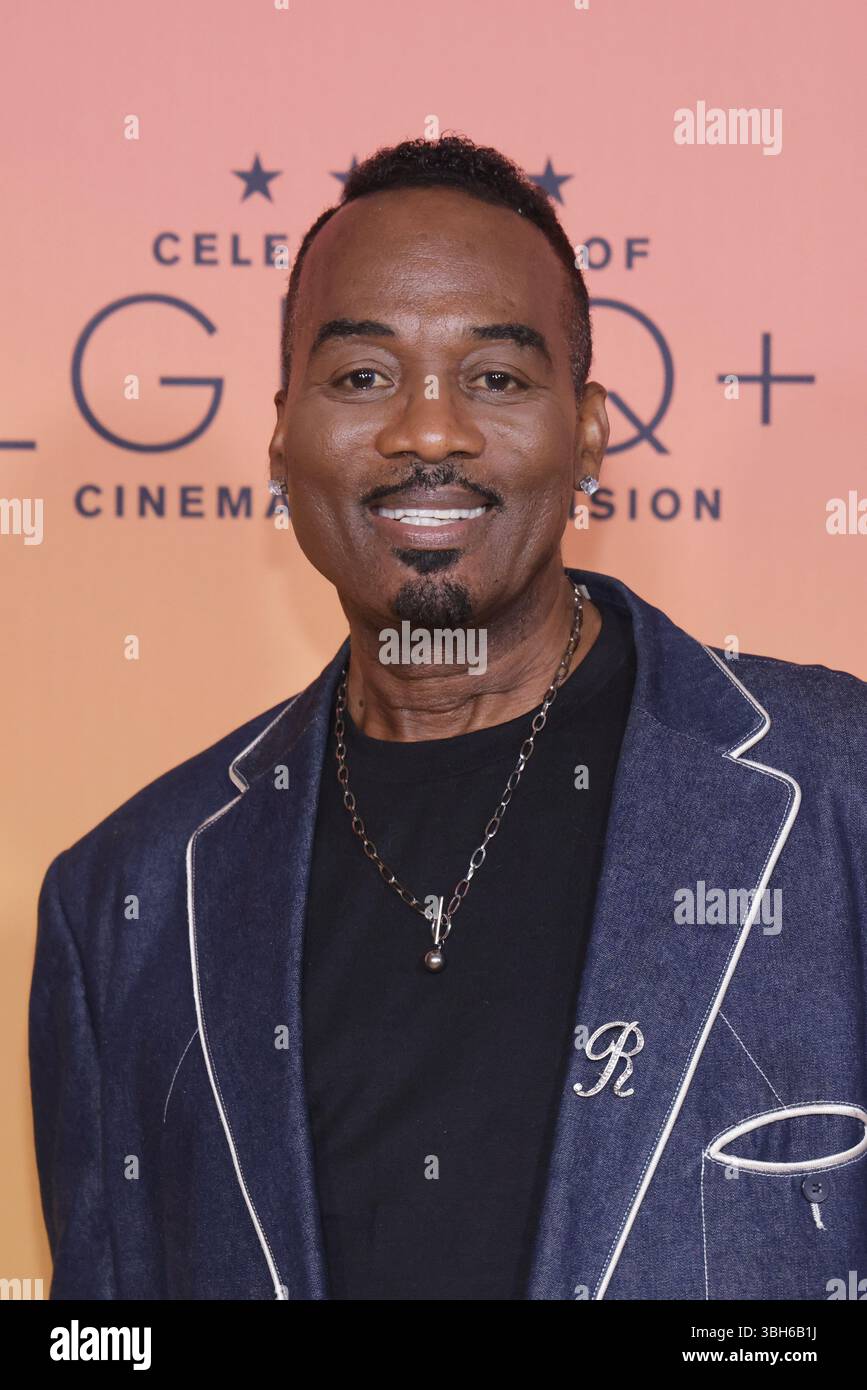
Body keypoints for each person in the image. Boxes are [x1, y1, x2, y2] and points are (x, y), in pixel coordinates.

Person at [29, 135, 867, 1301]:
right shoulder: (126, 899)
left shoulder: (839, 792)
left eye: (497, 378)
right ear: (281, 436)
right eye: (364, 376)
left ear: (592, 433)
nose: (429, 433)